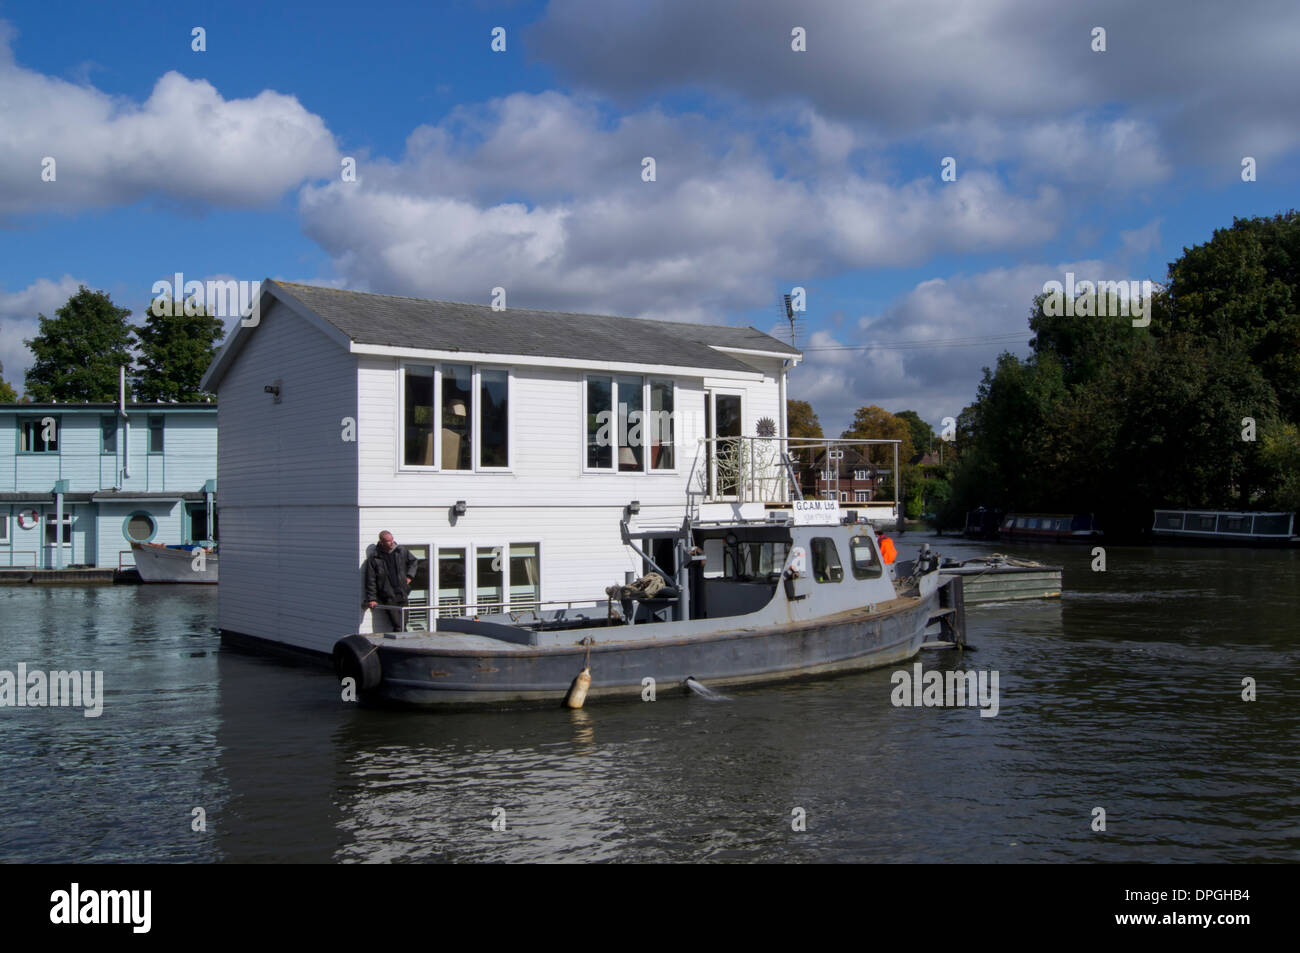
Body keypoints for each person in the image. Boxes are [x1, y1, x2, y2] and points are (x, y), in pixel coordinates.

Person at [364, 531, 419, 631]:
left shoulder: (401, 551)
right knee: (398, 625)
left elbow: (414, 561)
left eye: (392, 540)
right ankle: (402, 644)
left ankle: (402, 643)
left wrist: (409, 576)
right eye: (388, 541)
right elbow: (370, 580)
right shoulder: (375, 558)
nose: (392, 543)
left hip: (402, 593)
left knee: (404, 623)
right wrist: (372, 599)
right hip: (388, 596)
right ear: (381, 542)